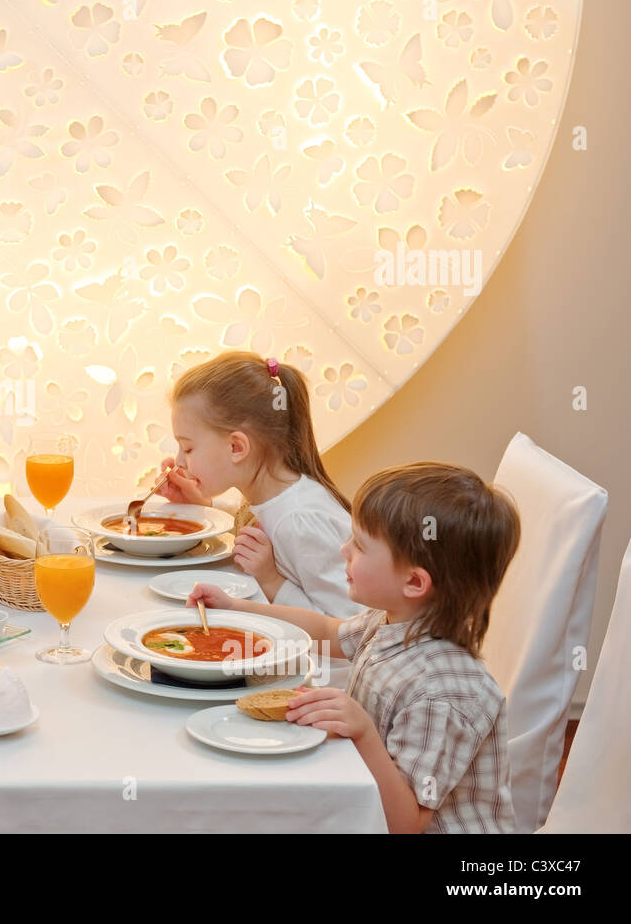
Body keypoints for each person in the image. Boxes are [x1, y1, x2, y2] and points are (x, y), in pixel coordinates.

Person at [189, 462, 521, 833]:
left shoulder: (443, 695)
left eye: (360, 546)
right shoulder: (393, 620)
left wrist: (362, 731)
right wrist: (238, 609)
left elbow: (404, 822)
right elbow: (326, 630)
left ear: (413, 581)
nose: (344, 549)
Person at [161, 351, 361, 621]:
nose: (179, 461)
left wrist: (271, 580)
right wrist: (203, 505)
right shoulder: (270, 494)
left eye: (188, 447)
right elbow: (255, 523)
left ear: (236, 447)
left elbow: (353, 629)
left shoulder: (299, 522)